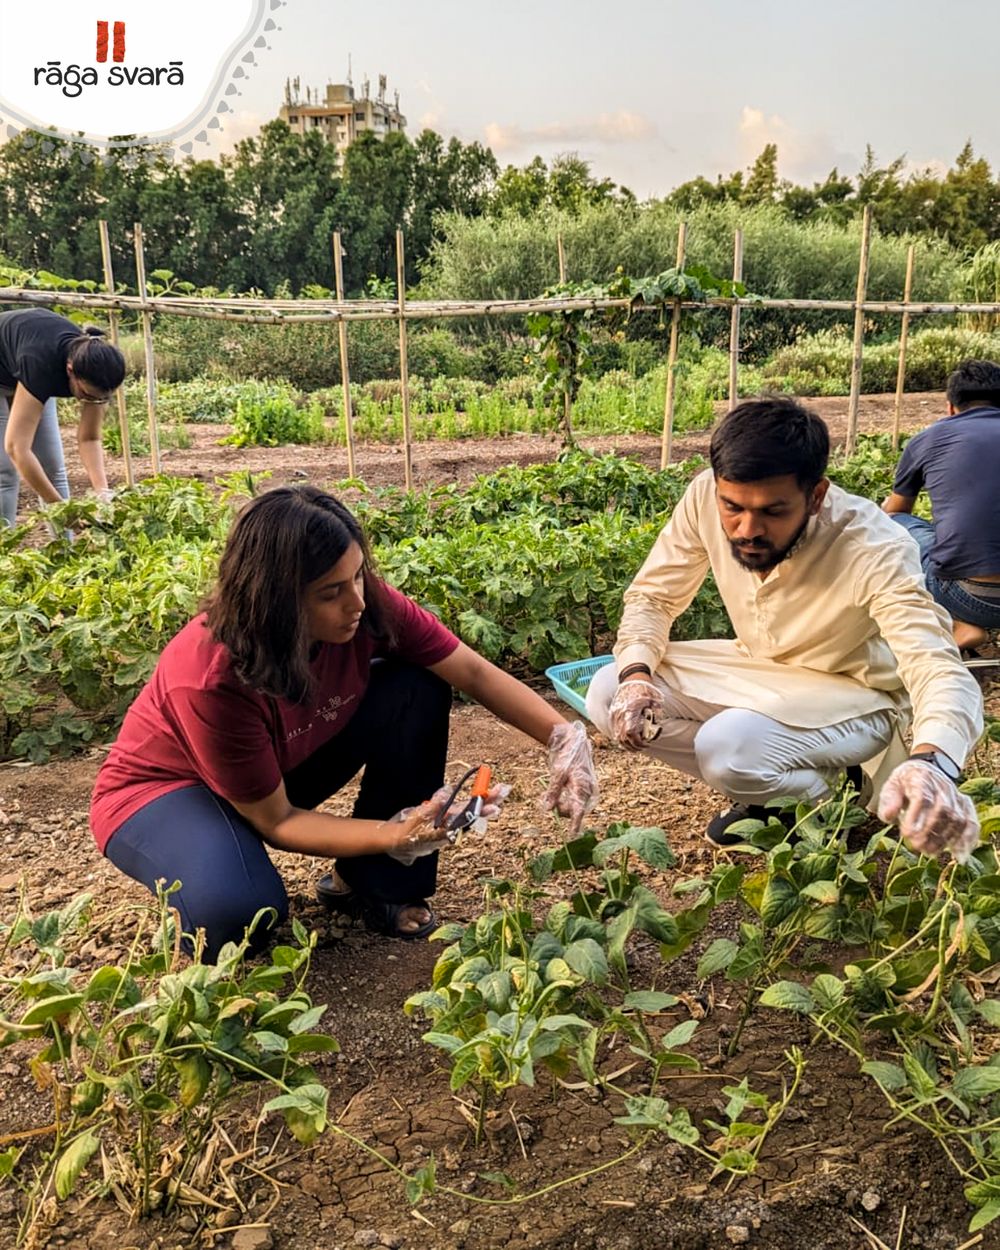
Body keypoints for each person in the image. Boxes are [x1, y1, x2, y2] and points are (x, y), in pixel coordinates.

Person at [90, 485, 598, 960]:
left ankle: (377, 886)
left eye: (357, 575)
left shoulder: (364, 606)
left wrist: (563, 738)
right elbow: (278, 820)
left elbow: (468, 669)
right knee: (240, 915)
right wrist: (392, 834)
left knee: (414, 687)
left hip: (272, 769)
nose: (356, 600)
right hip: (169, 793)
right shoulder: (211, 676)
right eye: (331, 591)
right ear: (275, 599)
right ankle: (205, 865)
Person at [586, 395, 983, 857]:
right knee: (610, 689)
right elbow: (653, 597)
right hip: (759, 668)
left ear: (815, 497)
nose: (746, 529)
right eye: (732, 507)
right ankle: (777, 791)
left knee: (727, 748)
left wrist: (933, 762)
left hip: (854, 694)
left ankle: (824, 803)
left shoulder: (873, 547)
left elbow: (936, 665)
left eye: (772, 512)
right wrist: (638, 677)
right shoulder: (703, 497)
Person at [882, 359, 1000, 653]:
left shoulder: (930, 438)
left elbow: (896, 511)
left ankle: (956, 622)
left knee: (891, 525)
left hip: (971, 597)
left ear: (950, 407)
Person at [0, 307, 126, 528]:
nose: (91, 401)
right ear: (70, 370)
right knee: (6, 472)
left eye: (100, 398)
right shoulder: (42, 365)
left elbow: (89, 439)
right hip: (14, 363)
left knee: (52, 465)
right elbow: (16, 448)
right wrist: (64, 512)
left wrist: (103, 493)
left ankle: (66, 552)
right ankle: (4, 551)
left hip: (22, 363)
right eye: (86, 395)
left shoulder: (96, 372)